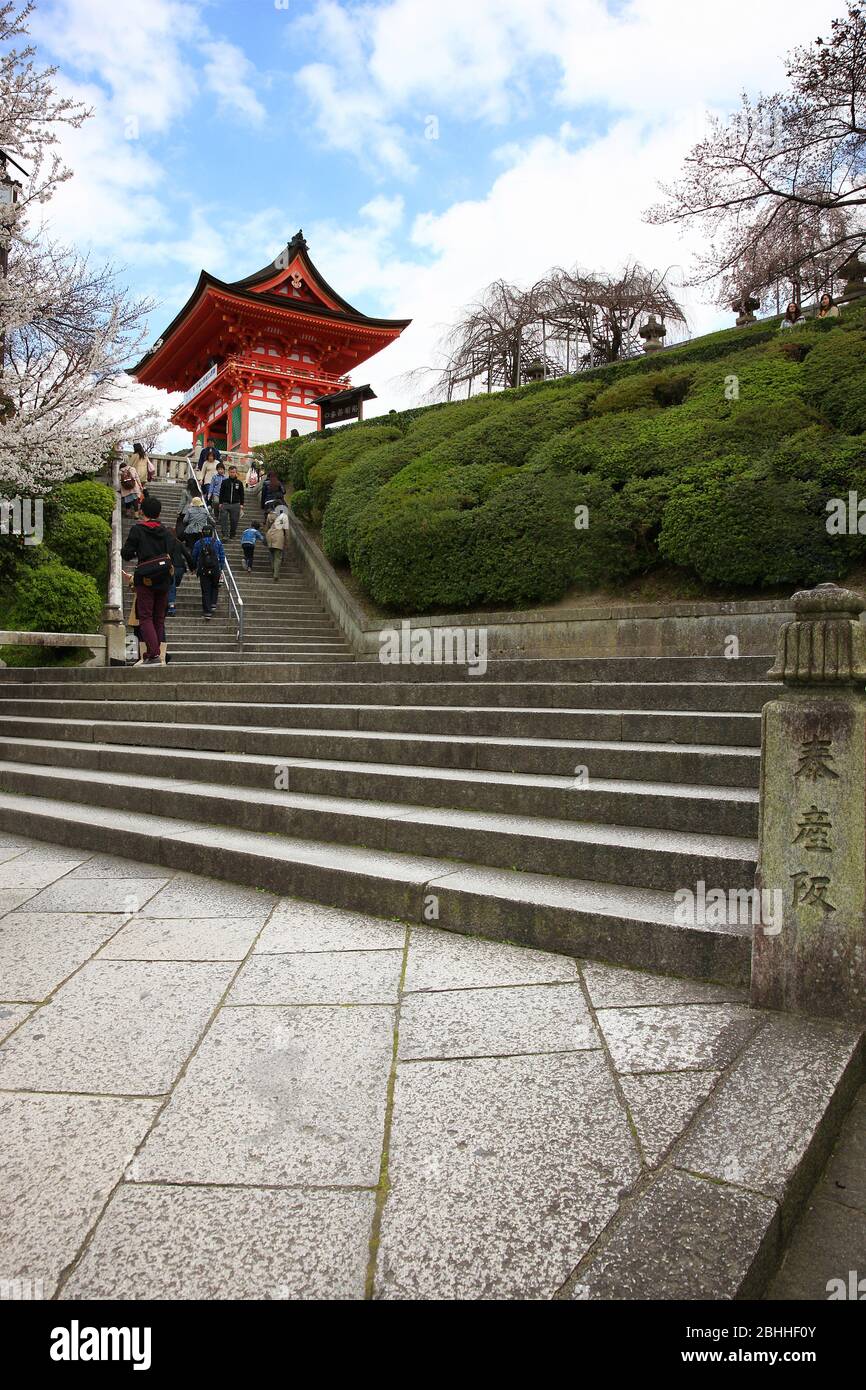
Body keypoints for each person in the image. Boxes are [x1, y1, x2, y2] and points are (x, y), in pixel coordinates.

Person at [120, 495, 175, 665]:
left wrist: (139, 551)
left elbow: (126, 554)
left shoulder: (138, 530)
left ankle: (153, 653)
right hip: (164, 579)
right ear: (159, 513)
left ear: (142, 511)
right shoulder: (166, 531)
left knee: (145, 616)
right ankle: (157, 652)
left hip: (145, 580)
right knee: (159, 618)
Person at [190, 523, 225, 619]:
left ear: (202, 533)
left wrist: (193, 567)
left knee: (205, 590)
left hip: (203, 570)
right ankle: (213, 603)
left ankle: (207, 612)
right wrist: (221, 567)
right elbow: (222, 556)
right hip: (215, 569)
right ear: (212, 533)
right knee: (215, 586)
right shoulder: (217, 542)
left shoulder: (198, 543)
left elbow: (194, 556)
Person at [218, 463, 244, 539]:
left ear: (236, 473)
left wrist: (242, 504)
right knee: (224, 520)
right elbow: (221, 493)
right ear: (228, 472)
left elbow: (241, 494)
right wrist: (220, 503)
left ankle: (232, 533)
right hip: (225, 503)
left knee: (234, 520)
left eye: (234, 472)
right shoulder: (224, 482)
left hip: (235, 504)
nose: (232, 473)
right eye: (231, 472)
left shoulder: (239, 483)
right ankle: (225, 535)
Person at [265, 505, 290, 581]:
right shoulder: (284, 517)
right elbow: (287, 530)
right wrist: (287, 541)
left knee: (271, 554)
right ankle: (276, 574)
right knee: (278, 557)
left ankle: (273, 568)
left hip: (270, 535)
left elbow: (267, 527)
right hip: (279, 536)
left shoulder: (270, 515)